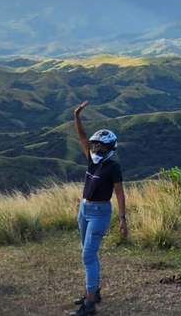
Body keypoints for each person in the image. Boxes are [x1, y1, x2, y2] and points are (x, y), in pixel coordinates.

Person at [71, 101, 128, 316]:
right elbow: (82, 138)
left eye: (101, 146)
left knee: (87, 256)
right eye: (95, 145)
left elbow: (120, 193)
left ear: (110, 148)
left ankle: (90, 304)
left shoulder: (113, 167)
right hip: (84, 210)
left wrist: (123, 219)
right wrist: (77, 117)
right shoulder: (92, 160)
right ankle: (93, 292)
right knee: (89, 254)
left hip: (99, 212)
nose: (96, 148)